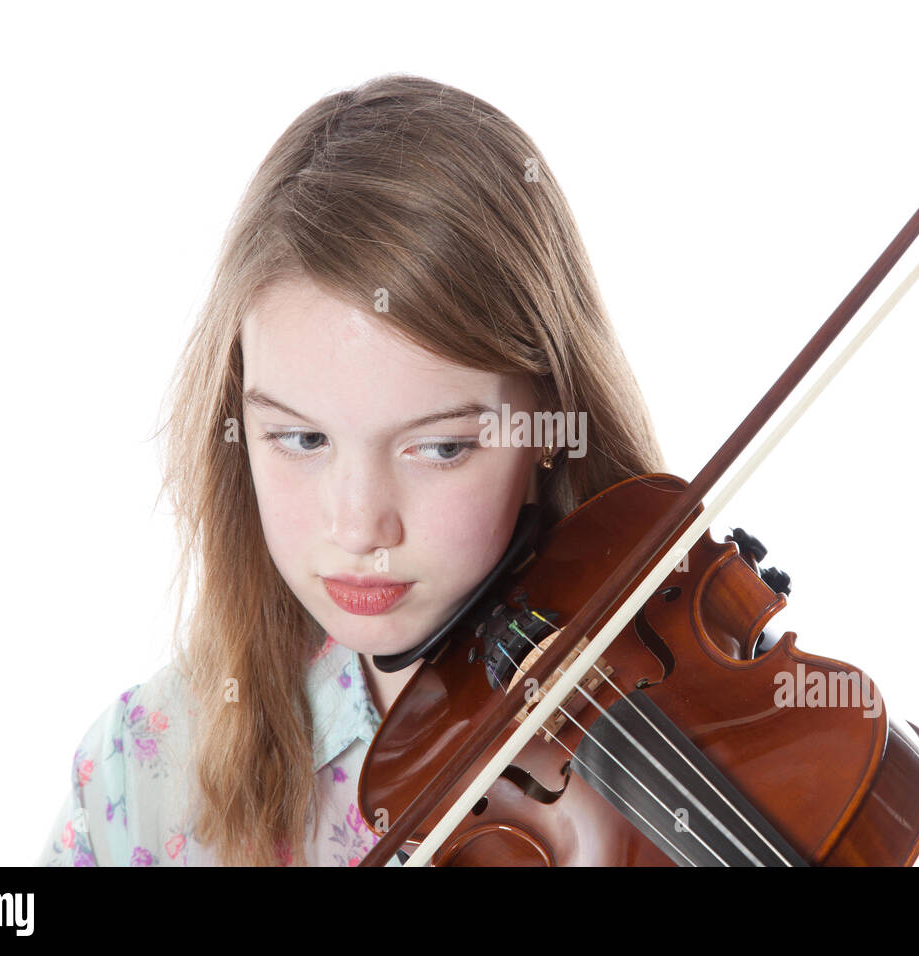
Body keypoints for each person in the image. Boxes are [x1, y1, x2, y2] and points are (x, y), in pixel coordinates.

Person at [37, 74, 665, 866]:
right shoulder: (139, 773)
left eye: (440, 447)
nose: (360, 525)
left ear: (549, 421)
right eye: (301, 441)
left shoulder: (696, 721)